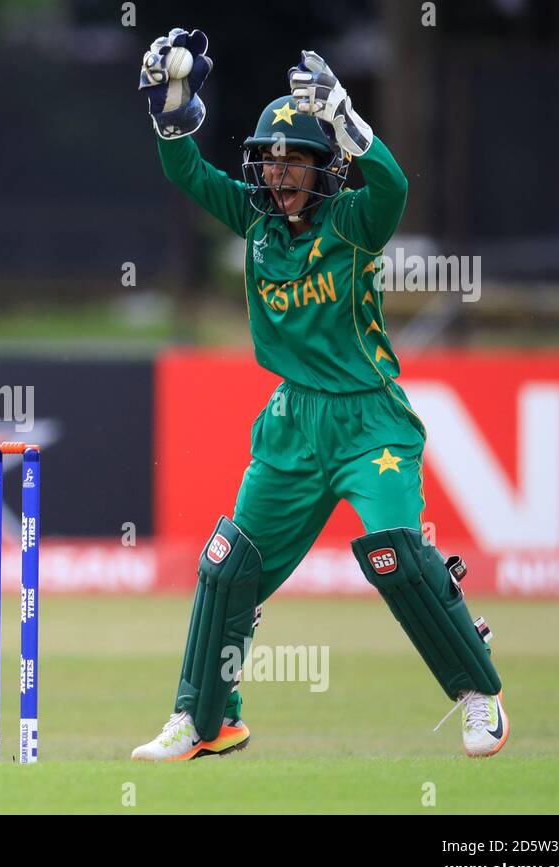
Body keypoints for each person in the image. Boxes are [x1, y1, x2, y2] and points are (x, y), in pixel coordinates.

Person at [131, 30, 508, 761]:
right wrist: (172, 116)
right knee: (227, 564)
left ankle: (478, 693)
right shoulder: (256, 221)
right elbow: (186, 172)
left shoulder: (352, 223)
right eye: (269, 162)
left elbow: (393, 186)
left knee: (395, 552)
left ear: (324, 166)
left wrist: (349, 121)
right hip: (291, 425)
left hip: (371, 422)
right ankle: (206, 720)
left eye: (293, 161)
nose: (277, 177)